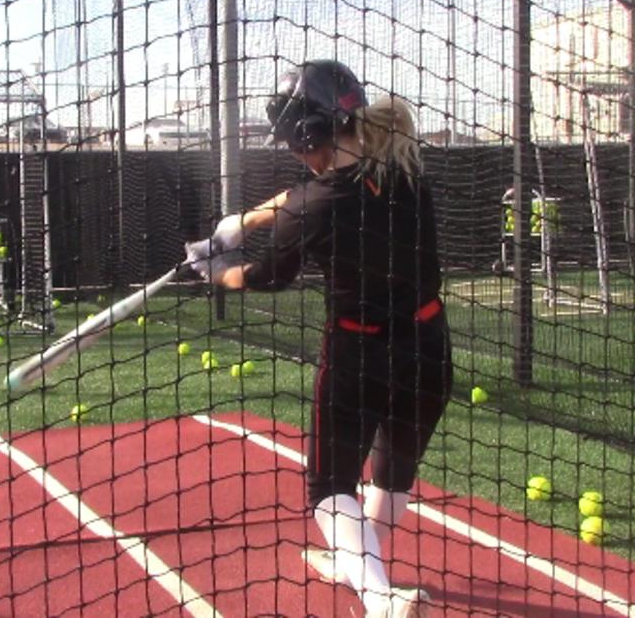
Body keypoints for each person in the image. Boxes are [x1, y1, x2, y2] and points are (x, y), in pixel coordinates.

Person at [185, 60, 451, 618]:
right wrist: (244, 219)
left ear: (308, 134)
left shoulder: (315, 206)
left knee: (330, 491)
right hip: (429, 350)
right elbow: (308, 195)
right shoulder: (405, 168)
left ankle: (379, 601)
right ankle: (364, 562)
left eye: (294, 142)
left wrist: (215, 270)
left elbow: (264, 277)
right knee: (392, 473)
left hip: (360, 355)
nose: (293, 153)